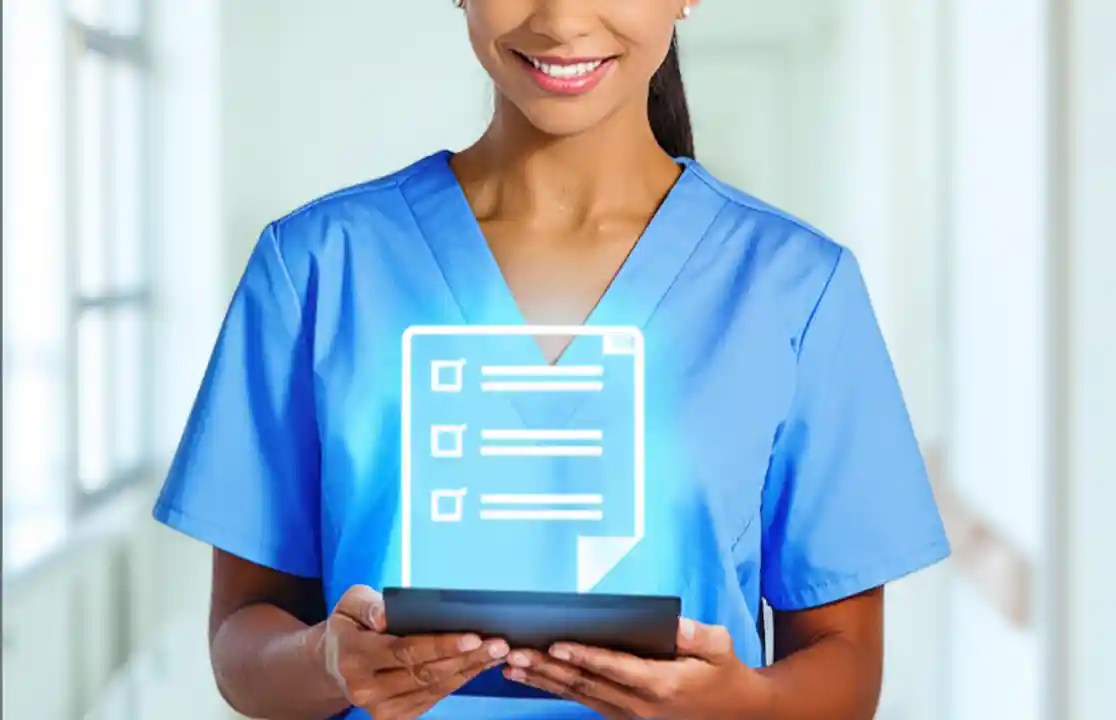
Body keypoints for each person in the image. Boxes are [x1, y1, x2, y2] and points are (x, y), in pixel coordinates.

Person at [152, 1, 950, 718]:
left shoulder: (796, 287)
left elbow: (845, 670)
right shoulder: (318, 267)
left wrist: (738, 705)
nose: (564, 18)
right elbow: (242, 646)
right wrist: (330, 661)